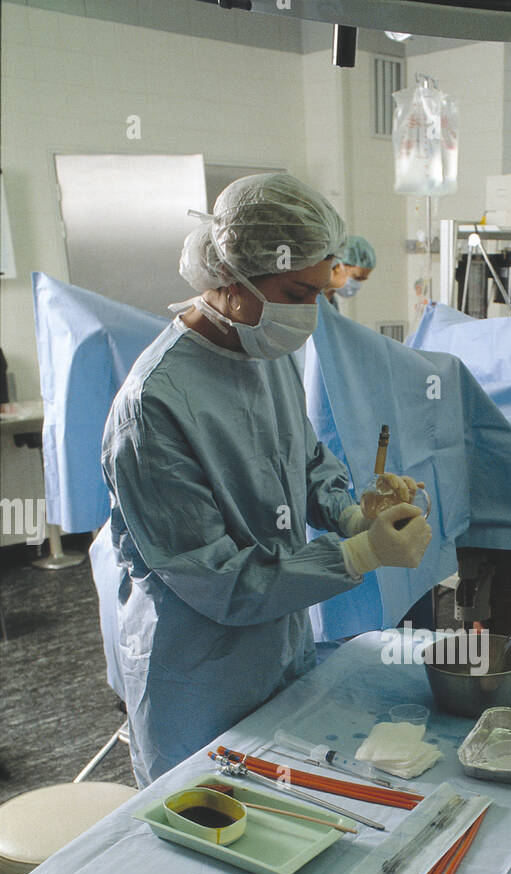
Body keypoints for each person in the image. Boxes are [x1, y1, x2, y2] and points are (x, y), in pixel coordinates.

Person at [98, 173, 430, 786]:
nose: (311, 312)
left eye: (320, 290)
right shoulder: (155, 406)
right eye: (297, 291)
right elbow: (215, 580)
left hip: (279, 644)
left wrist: (354, 514)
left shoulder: (261, 349)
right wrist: (357, 554)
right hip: (198, 671)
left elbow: (302, 461)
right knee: (206, 842)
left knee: (287, 819)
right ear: (230, 277)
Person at [322, 234, 377, 309]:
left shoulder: (331, 303)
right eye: (357, 278)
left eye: (362, 279)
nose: (358, 285)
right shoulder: (309, 299)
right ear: (338, 266)